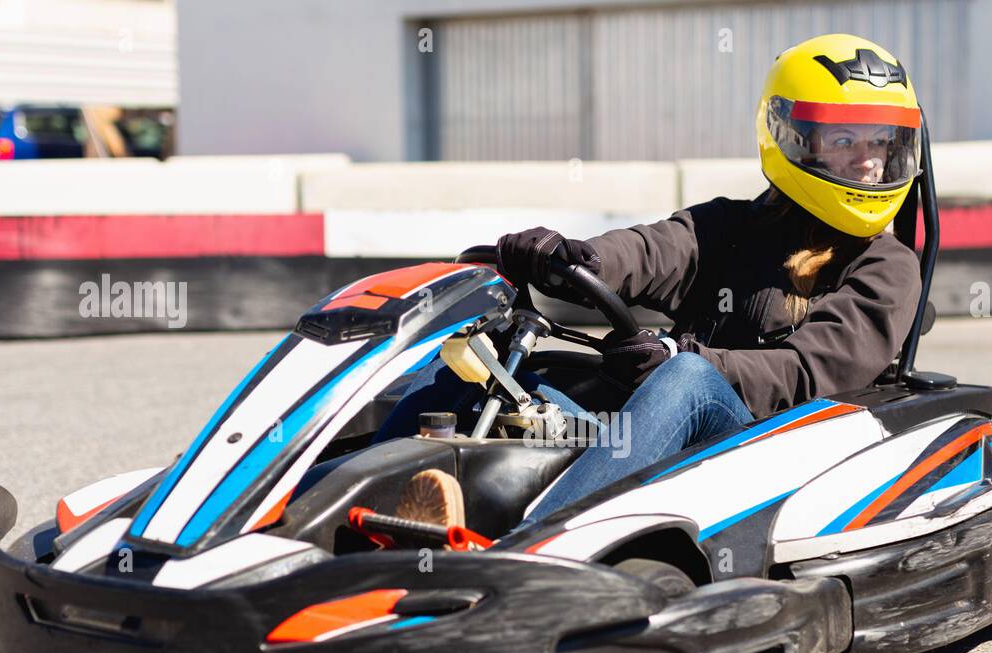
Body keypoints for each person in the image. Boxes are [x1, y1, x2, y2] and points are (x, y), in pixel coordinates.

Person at [381, 33, 924, 531]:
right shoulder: (729, 226)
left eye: (880, 142)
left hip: (772, 455)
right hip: (658, 438)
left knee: (687, 378)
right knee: (480, 363)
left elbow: (810, 374)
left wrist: (680, 359)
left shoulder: (887, 266)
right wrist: (568, 257)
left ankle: (533, 549)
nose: (867, 163)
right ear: (795, 138)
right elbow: (646, 251)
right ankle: (343, 513)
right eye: (845, 139)